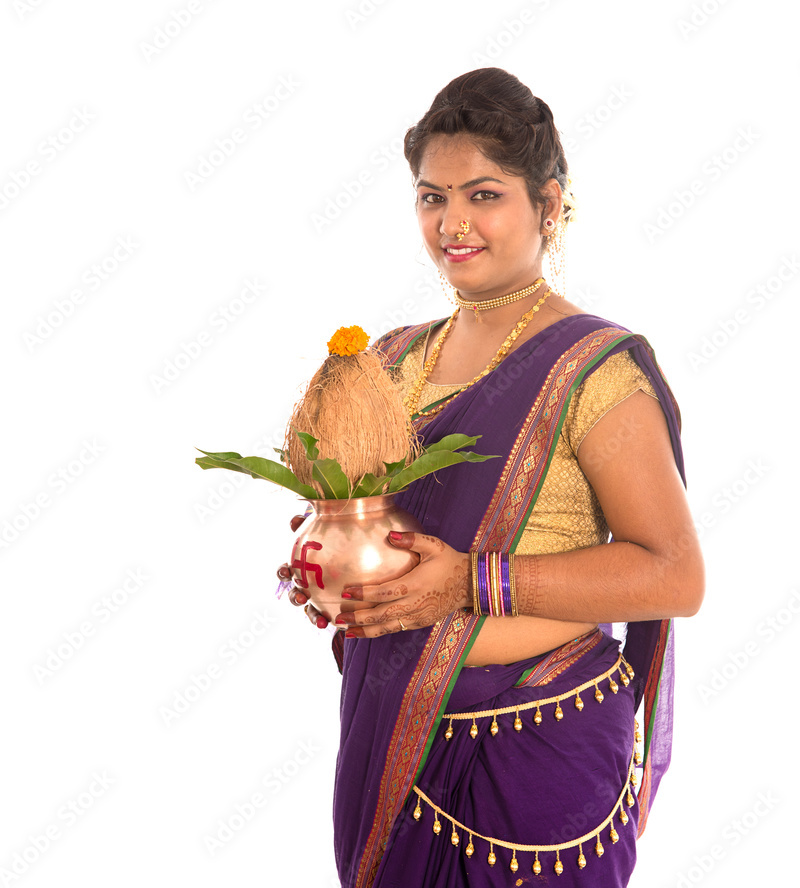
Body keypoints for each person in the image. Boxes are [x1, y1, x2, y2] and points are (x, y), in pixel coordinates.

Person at [279, 68, 704, 887]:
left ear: (548, 205)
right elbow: (366, 521)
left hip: (541, 758)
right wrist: (326, 563)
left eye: (483, 195)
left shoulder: (593, 370)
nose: (453, 223)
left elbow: (674, 575)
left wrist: (470, 584)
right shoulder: (393, 359)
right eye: (432, 197)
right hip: (396, 736)